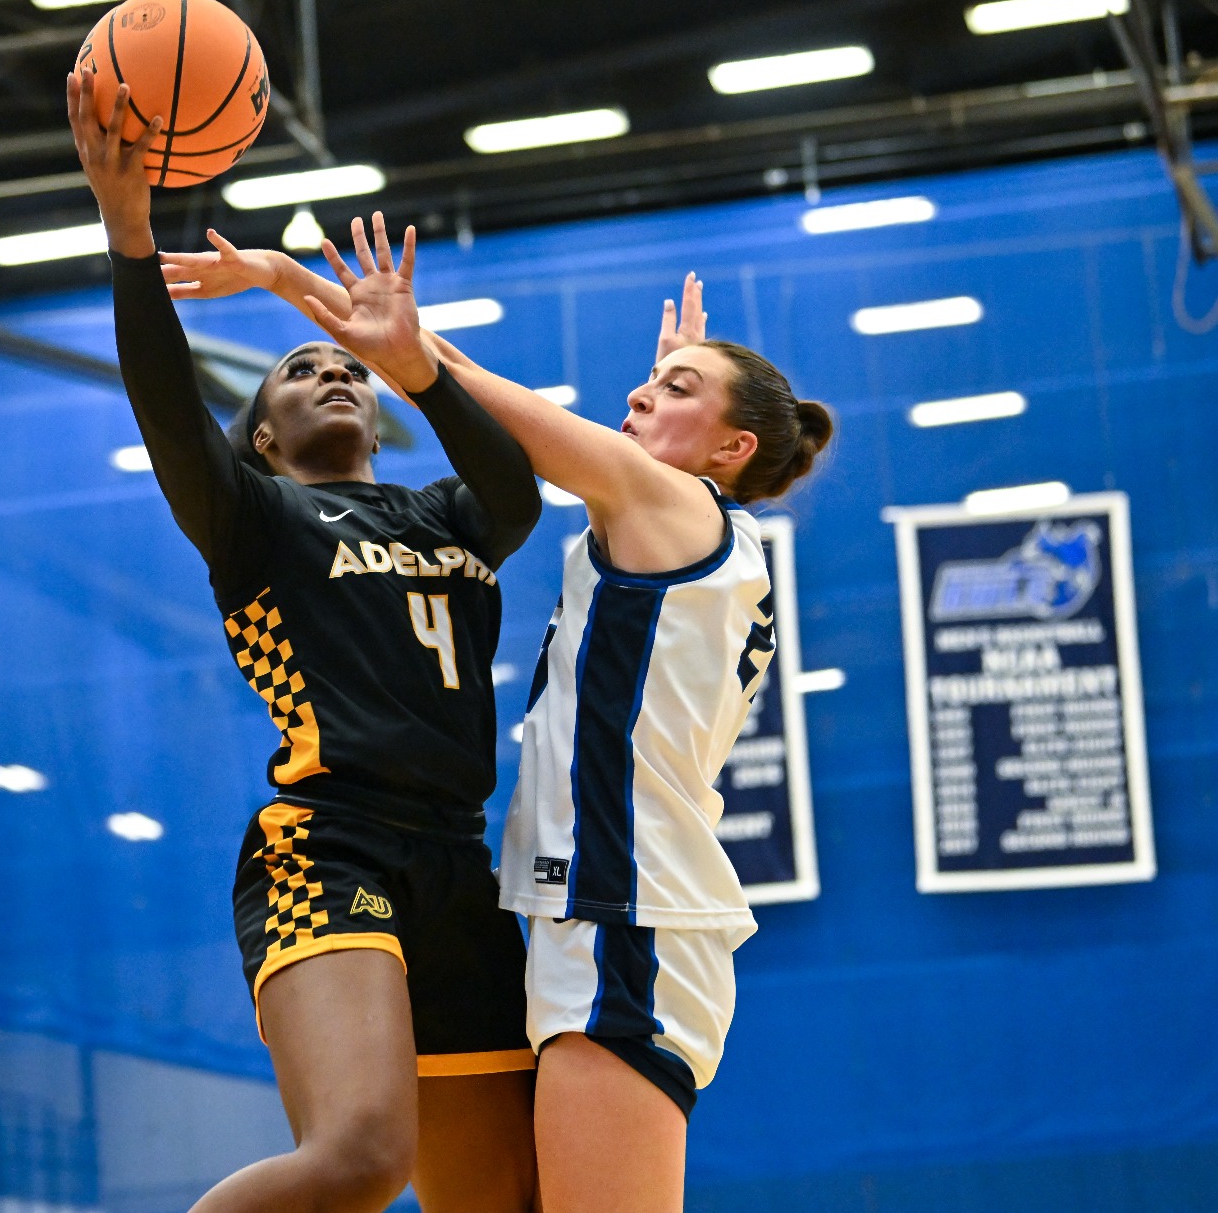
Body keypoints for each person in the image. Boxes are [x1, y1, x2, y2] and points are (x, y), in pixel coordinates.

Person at [165, 220, 831, 1213]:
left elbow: (444, 377)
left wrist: (281, 280)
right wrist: (302, 291)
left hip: (622, 913)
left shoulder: (664, 502)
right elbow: (444, 370)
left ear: (733, 448)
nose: (641, 394)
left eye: (675, 390)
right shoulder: (690, 525)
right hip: (609, 911)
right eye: (649, 383)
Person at [69, 66, 543, 1213]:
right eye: (299, 369)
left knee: (508, 1202)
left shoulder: (444, 515)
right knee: (359, 1159)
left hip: (456, 860)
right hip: (323, 846)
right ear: (265, 437)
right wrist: (129, 237)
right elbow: (168, 411)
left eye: (342, 370)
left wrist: (410, 362)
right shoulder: (257, 517)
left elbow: (517, 493)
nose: (329, 372)